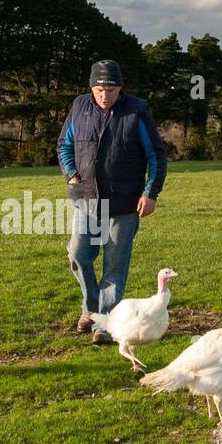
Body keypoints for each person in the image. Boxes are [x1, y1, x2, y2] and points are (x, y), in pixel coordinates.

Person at [58, 59, 168, 344]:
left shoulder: (137, 111)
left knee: (114, 267)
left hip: (125, 203)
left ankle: (104, 324)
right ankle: (91, 309)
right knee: (78, 255)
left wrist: (150, 193)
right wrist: (71, 175)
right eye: (98, 89)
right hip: (86, 199)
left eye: (110, 89)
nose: (104, 95)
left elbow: (156, 155)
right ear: (91, 88)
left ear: (120, 88)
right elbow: (64, 145)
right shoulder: (79, 106)